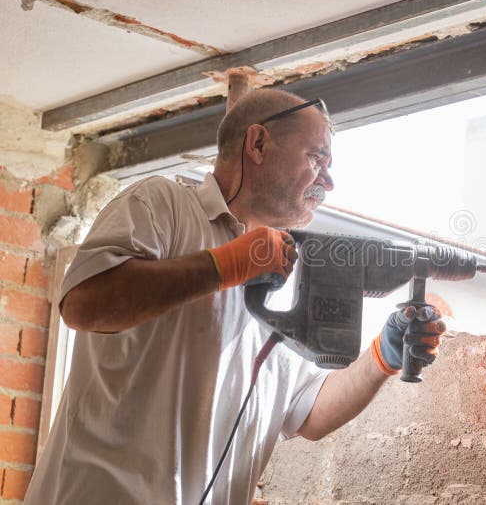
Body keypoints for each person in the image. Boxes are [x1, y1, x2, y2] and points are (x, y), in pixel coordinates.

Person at [25, 89, 446, 505]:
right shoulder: (164, 205)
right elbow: (84, 303)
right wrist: (224, 266)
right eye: (317, 158)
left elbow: (309, 413)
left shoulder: (292, 275)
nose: (329, 181)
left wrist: (382, 357)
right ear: (258, 143)